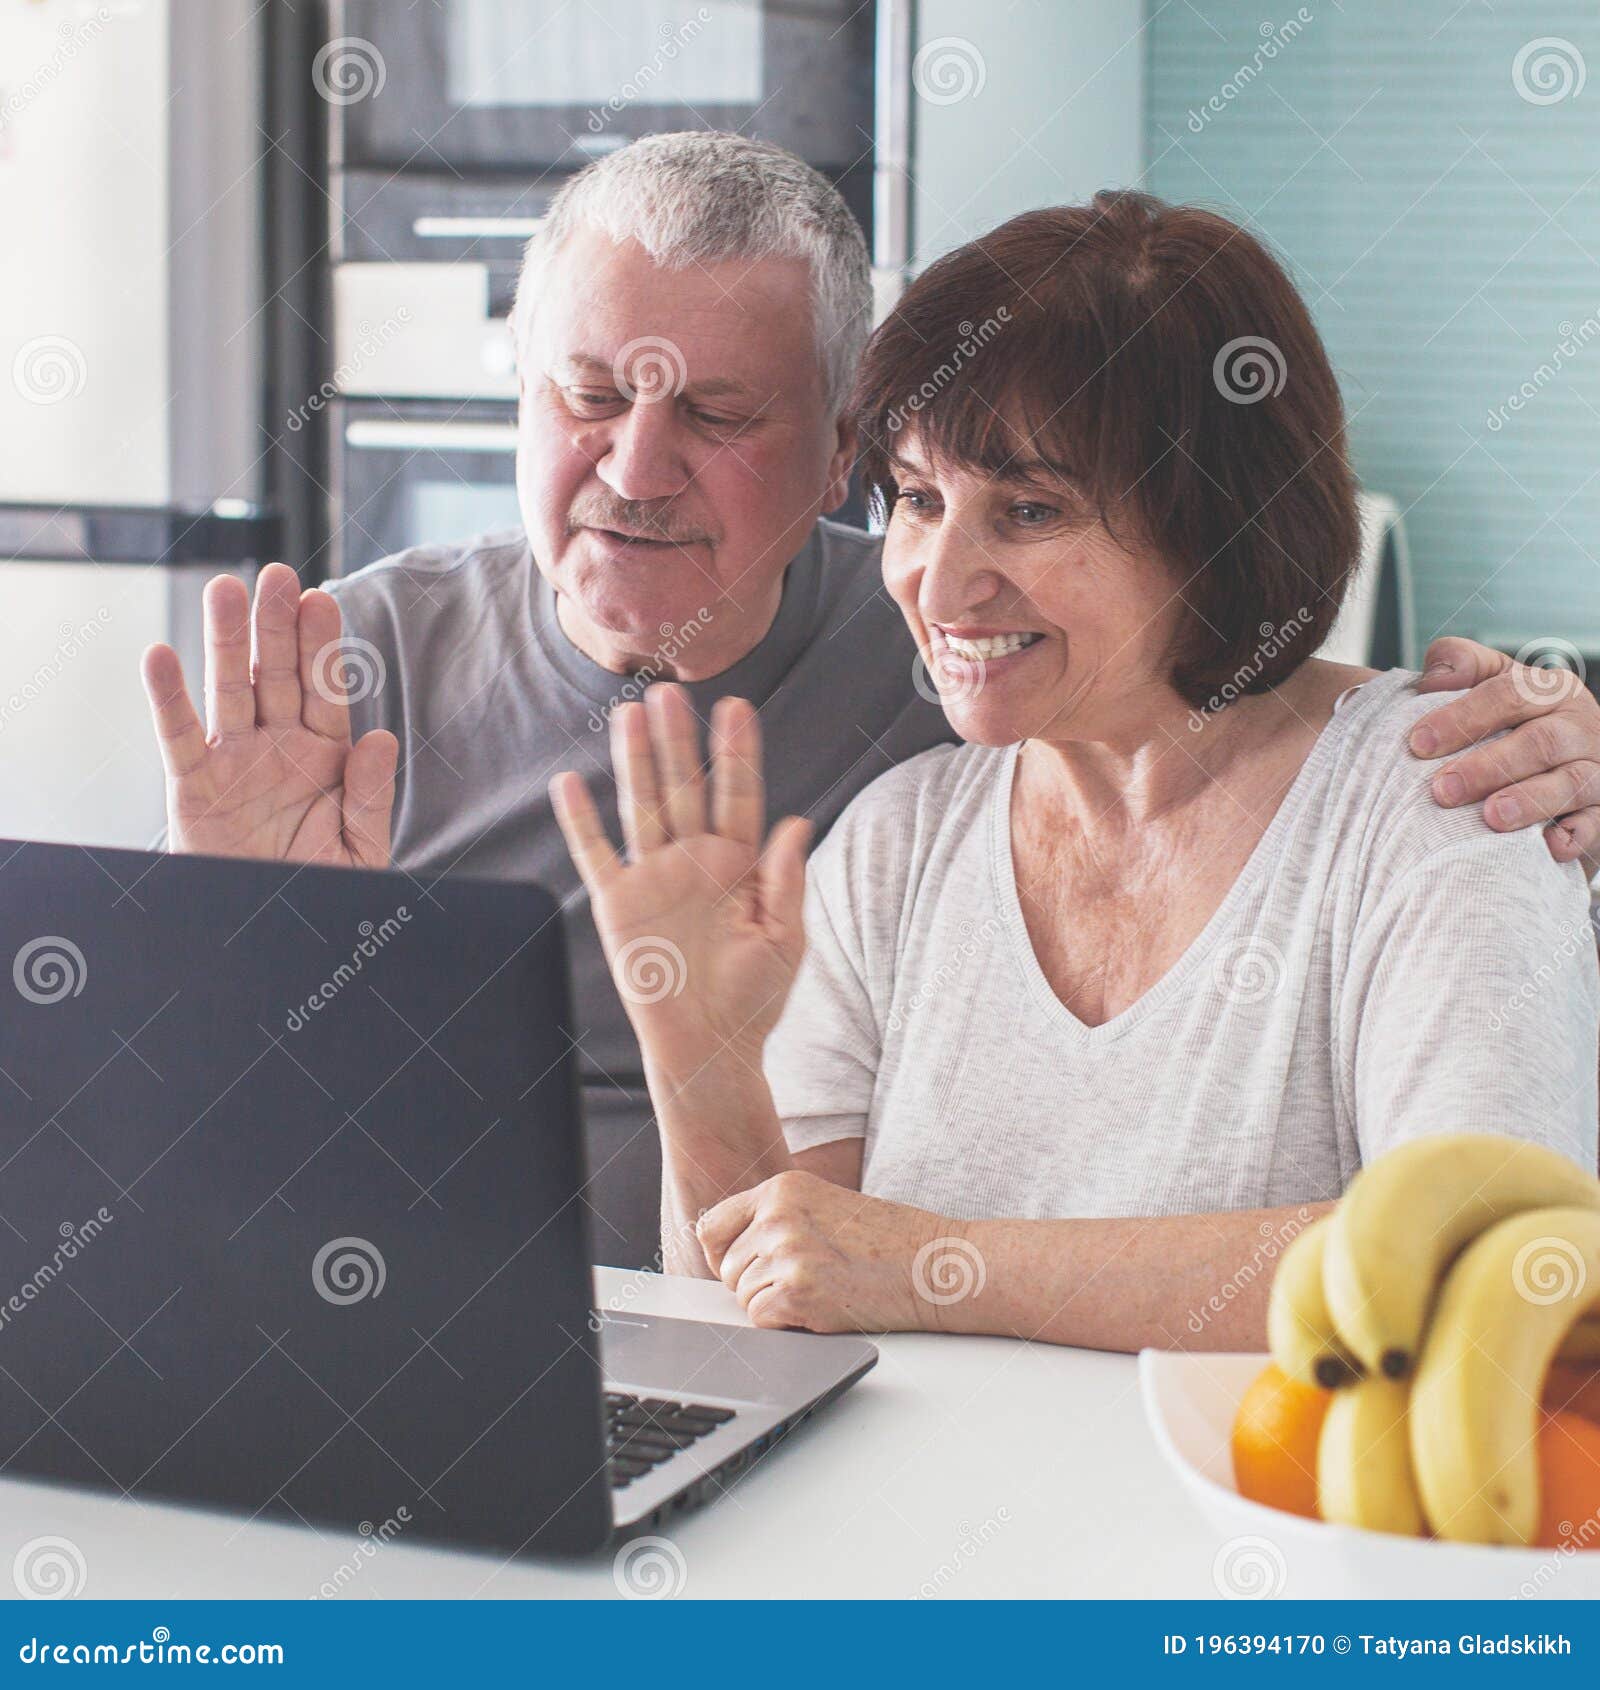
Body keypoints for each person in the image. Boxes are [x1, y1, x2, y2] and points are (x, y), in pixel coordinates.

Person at [139, 135, 1600, 1271]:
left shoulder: (955, 704)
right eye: (586, 395)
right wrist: (248, 966)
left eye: (715, 415)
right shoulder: (346, 674)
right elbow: (153, 1187)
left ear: (834, 447)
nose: (635, 470)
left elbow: (1487, 1252)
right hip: (422, 1338)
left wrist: (1536, 740)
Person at [551, 192, 1600, 1353]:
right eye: (917, 498)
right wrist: (701, 1065)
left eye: (1032, 509)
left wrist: (935, 1268)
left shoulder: (1450, 793)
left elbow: (1488, 1263)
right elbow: (770, 1313)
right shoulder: (894, 845)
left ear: (1219, 523)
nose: (938, 588)